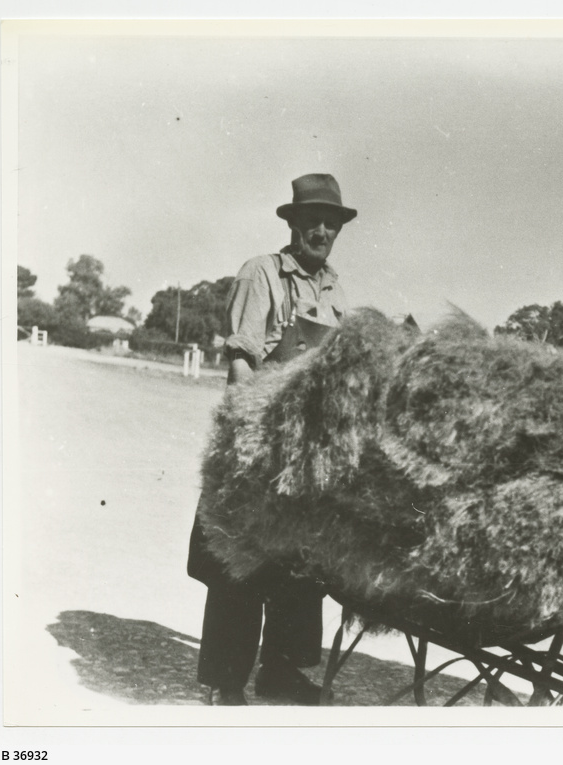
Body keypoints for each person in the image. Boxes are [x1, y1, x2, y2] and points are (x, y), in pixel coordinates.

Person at [187, 173, 357, 705]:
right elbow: (242, 359)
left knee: (302, 564)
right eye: (313, 221)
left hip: (307, 446)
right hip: (260, 435)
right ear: (293, 223)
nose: (322, 230)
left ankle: (282, 671)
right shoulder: (261, 273)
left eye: (331, 222)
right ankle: (226, 679)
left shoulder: (334, 287)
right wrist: (249, 439)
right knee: (240, 561)